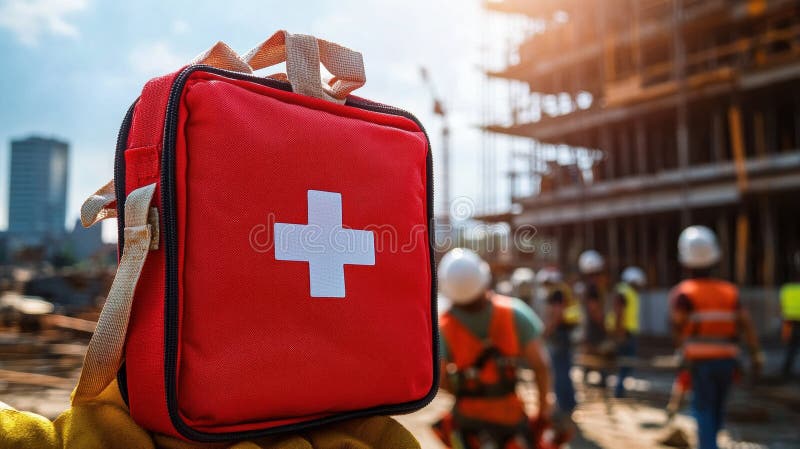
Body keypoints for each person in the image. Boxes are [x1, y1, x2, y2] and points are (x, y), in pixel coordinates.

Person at [436, 248, 553, 449]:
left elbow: (439, 378)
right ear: (483, 277)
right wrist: (543, 411)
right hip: (511, 419)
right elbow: (541, 366)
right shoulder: (515, 313)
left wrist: (463, 387)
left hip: (468, 423)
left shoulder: (443, 326)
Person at [669, 225, 763, 449]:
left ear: (685, 261)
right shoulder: (730, 291)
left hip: (700, 363)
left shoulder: (684, 293)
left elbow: (677, 326)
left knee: (703, 410)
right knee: (717, 410)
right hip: (727, 361)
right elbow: (747, 325)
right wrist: (756, 354)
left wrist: (681, 352)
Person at [538, 267, 580, 414]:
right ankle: (569, 403)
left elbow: (557, 315)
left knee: (558, 372)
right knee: (564, 369)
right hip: (564, 335)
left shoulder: (556, 292)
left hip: (558, 336)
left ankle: (563, 406)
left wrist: (545, 333)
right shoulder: (563, 290)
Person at [606, 266, 644, 398]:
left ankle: (618, 389)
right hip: (625, 332)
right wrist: (620, 333)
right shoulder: (624, 292)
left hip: (627, 331)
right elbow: (619, 313)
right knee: (626, 362)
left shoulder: (627, 292)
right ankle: (618, 390)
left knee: (626, 362)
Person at [780, 251, 800, 378]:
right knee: (792, 349)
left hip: (791, 324)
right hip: (792, 323)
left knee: (791, 349)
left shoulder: (786, 289)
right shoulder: (788, 290)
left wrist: (785, 330)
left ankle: (786, 372)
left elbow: (783, 312)